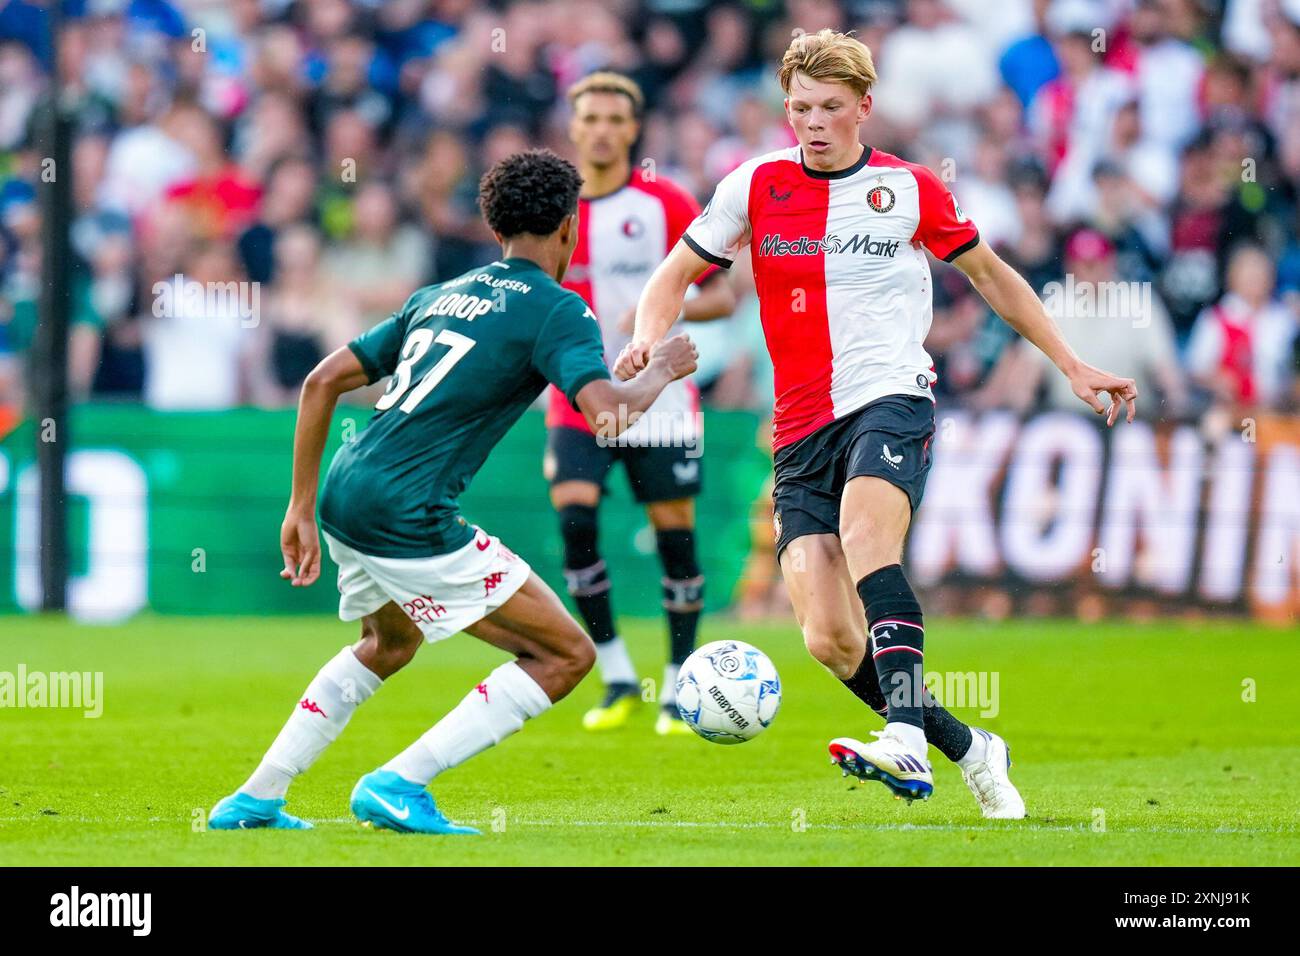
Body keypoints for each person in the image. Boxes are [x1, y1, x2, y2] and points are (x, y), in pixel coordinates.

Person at [617, 30, 1138, 819]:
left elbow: (992, 275)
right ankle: (968, 747)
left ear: (865, 107)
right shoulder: (754, 185)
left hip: (890, 394)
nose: (813, 123)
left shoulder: (910, 189)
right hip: (797, 427)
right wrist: (646, 336)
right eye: (799, 108)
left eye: (830, 108)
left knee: (868, 542)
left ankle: (901, 735)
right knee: (828, 638)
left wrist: (1069, 362)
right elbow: (674, 275)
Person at [208, 149, 697, 833]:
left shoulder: (439, 293)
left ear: (494, 226)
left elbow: (321, 382)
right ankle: (399, 782)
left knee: (389, 644)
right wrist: (661, 371)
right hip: (407, 509)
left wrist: (299, 504)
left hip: (346, 491)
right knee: (566, 655)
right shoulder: (560, 310)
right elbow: (609, 415)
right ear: (568, 228)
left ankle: (256, 797)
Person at [546, 72, 735, 736]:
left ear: (633, 129)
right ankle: (617, 673)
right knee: (574, 525)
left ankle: (680, 686)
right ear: (573, 128)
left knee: (673, 539)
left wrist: (659, 310)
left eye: (613, 118)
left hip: (660, 400)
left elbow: (721, 296)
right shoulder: (551, 206)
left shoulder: (666, 202)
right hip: (577, 399)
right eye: (589, 117)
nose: (600, 129)